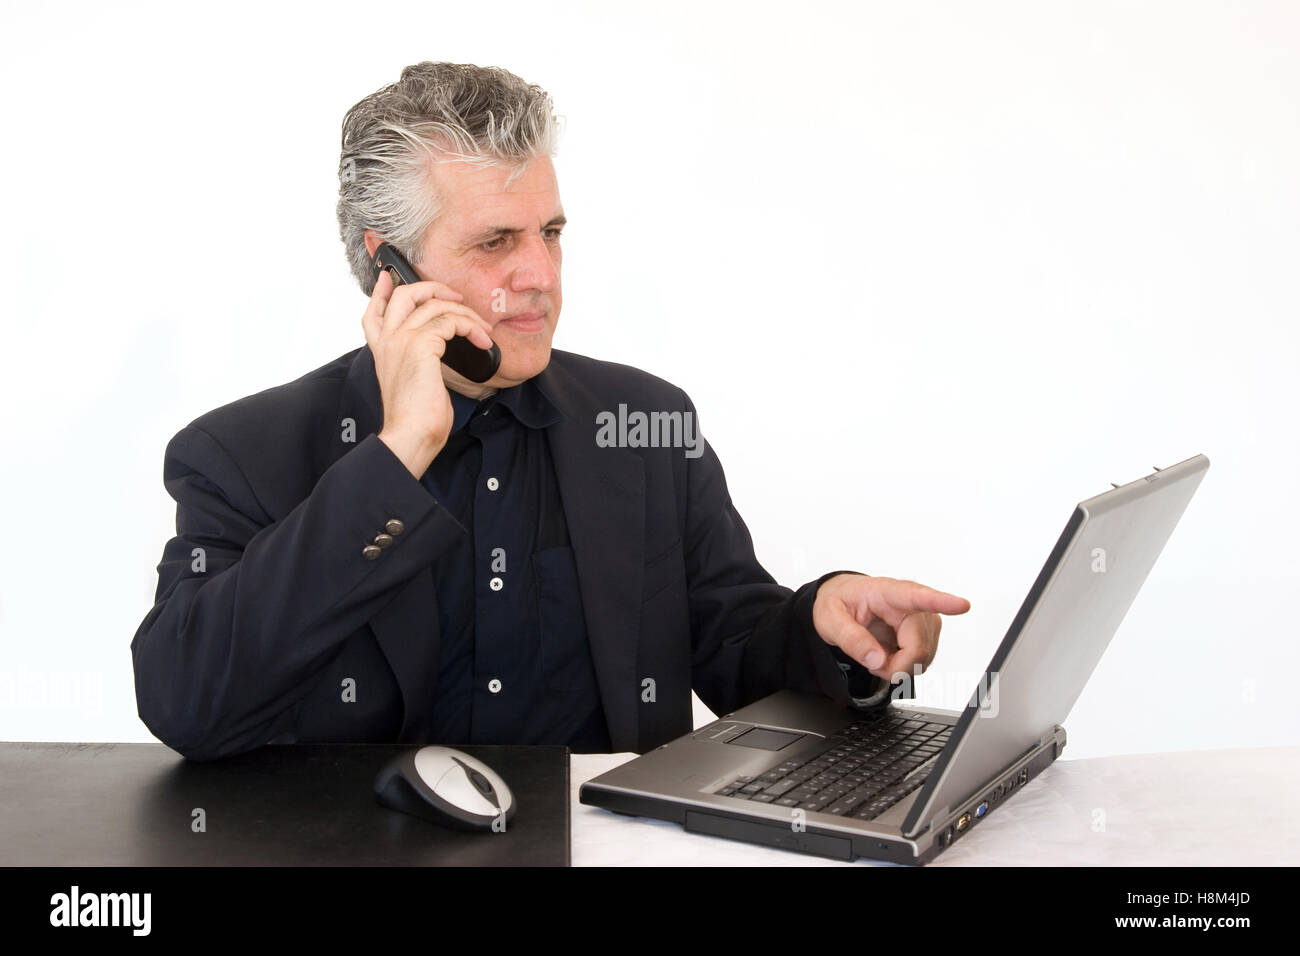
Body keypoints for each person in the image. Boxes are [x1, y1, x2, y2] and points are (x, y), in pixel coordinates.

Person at [131, 61, 970, 762]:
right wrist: (395, 458)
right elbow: (187, 701)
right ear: (389, 266)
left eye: (552, 232)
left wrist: (829, 630)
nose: (539, 273)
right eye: (495, 242)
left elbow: (733, 648)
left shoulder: (645, 423)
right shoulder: (241, 453)